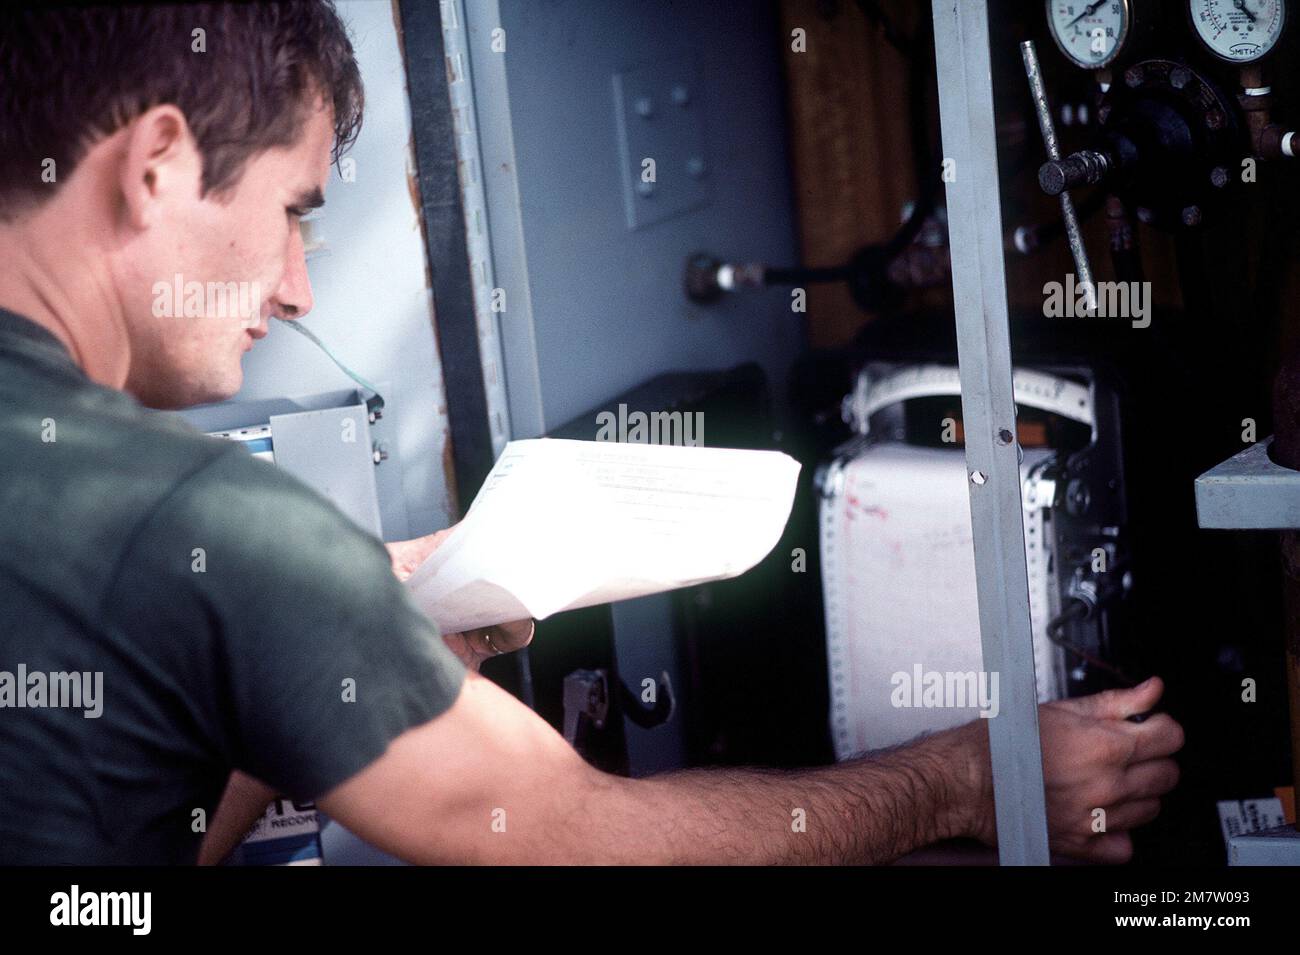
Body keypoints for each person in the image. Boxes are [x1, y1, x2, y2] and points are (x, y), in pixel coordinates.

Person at [0, 1, 1183, 865]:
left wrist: (288, 692)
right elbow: (579, 838)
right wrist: (973, 778)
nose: (301, 287)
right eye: (293, 213)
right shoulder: (203, 524)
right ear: (156, 165)